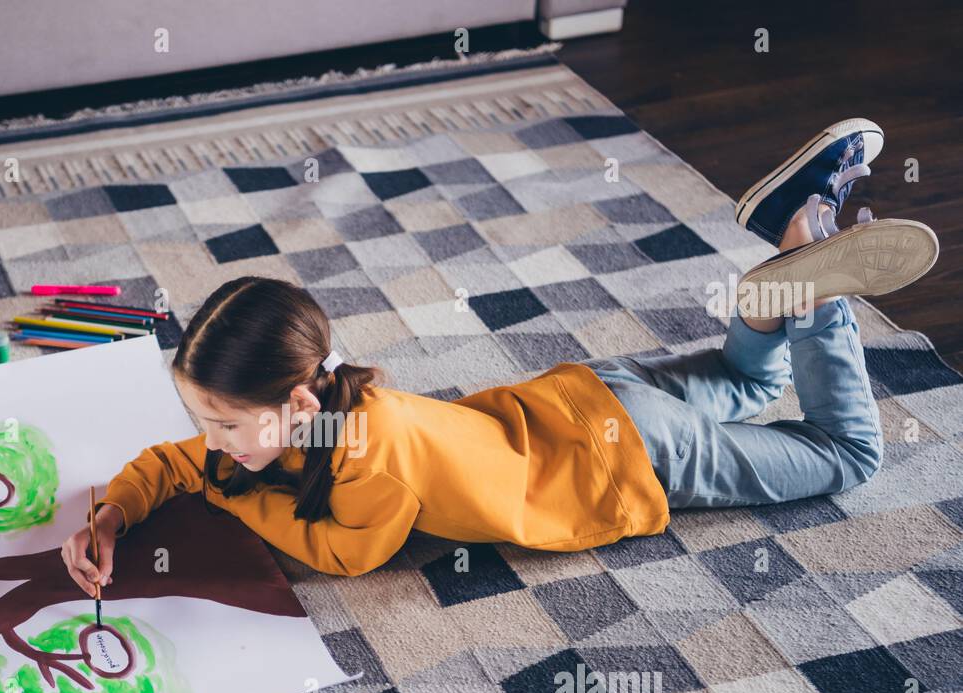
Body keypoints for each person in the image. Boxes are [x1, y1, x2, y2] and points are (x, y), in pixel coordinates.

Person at [61, 118, 938, 591]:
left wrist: (229, 491)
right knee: (753, 379)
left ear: (295, 403)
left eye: (221, 423)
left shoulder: (372, 469)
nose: (209, 442)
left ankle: (812, 294)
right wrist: (115, 513)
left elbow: (340, 556)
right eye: (202, 420)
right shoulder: (319, 404)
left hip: (634, 457)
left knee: (849, 455)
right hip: (593, 399)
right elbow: (182, 461)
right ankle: (786, 258)